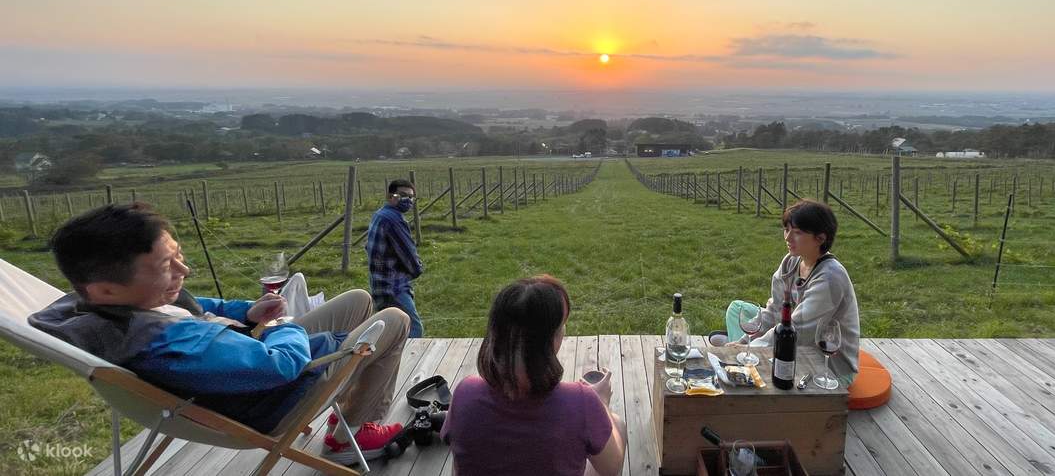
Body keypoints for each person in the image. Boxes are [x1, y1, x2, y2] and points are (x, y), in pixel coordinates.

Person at [27, 203, 412, 465]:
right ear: (108, 289)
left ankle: (347, 410)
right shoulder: (169, 344)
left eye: (178, 254)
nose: (183, 270)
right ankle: (352, 434)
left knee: (359, 299)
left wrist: (245, 311)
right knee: (393, 320)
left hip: (245, 361)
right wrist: (285, 327)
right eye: (166, 265)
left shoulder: (93, 305)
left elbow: (191, 304)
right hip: (276, 392)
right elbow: (279, 364)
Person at [441, 275, 627, 476]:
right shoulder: (582, 402)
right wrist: (603, 405)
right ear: (552, 339)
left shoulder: (465, 393)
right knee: (618, 424)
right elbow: (611, 468)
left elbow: (459, 464)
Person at [729, 199, 861, 384]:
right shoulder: (791, 262)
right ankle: (748, 356)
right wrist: (743, 343)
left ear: (820, 238)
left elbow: (796, 329)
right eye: (786, 229)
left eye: (797, 232)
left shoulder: (831, 277)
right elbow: (775, 310)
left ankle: (751, 362)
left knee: (758, 348)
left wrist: (749, 350)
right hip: (795, 340)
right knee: (737, 309)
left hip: (828, 365)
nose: (788, 238)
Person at [366, 179, 424, 338]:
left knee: (389, 332)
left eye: (412, 197)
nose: (409, 201)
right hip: (394, 286)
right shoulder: (394, 220)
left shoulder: (379, 215)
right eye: (404, 195)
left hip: (379, 284)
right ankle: (409, 362)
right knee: (413, 329)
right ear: (391, 196)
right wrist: (417, 269)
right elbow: (409, 255)